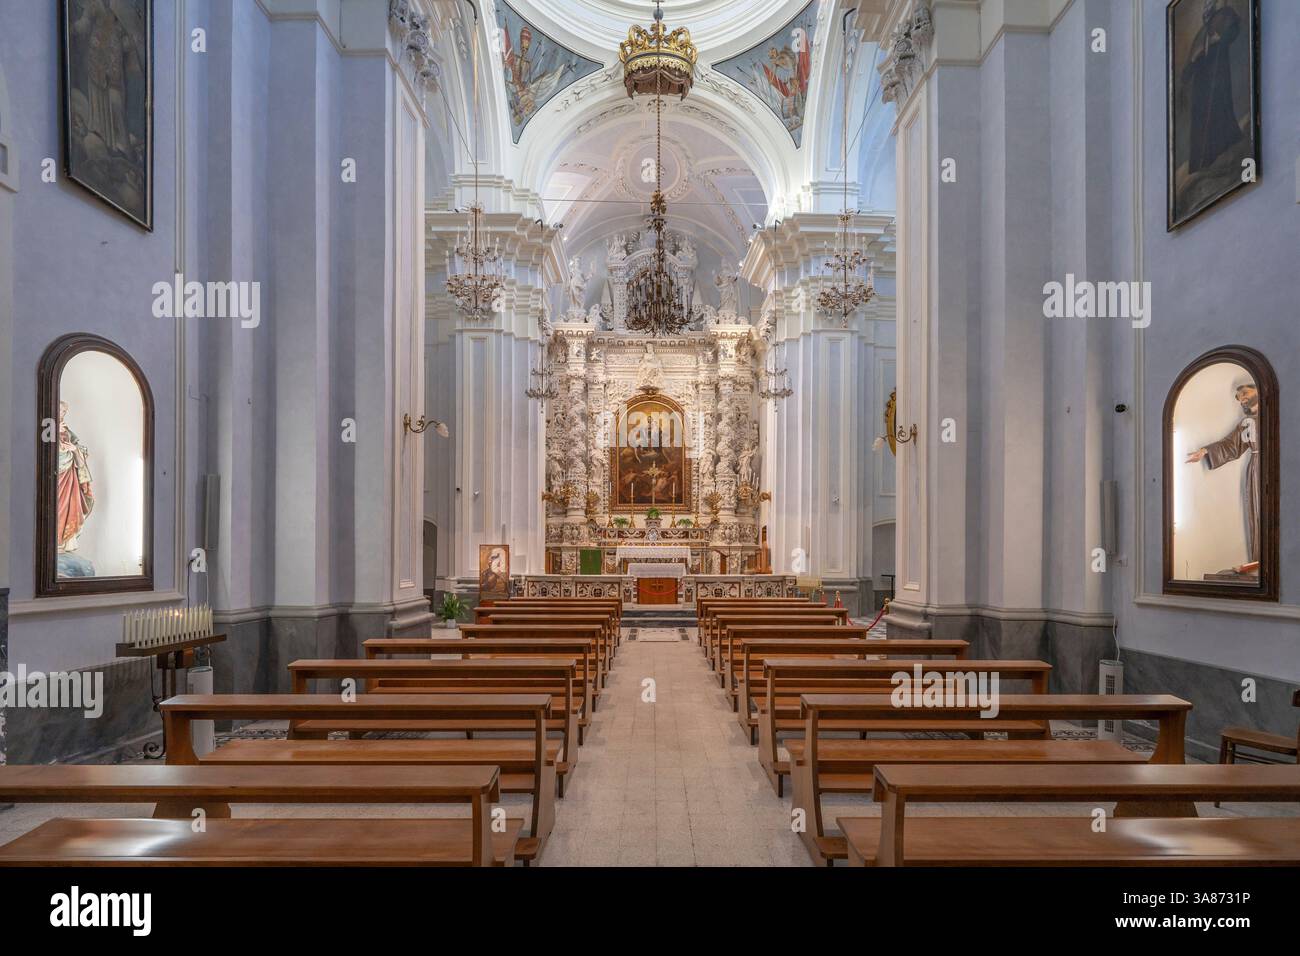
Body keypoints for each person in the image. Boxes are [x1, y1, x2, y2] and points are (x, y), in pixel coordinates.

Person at [1185, 376, 1259, 569]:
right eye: (1238, 396)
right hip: (1257, 470)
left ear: (1259, 390)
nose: (1240, 398)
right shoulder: (1247, 423)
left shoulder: (1278, 415)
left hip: (1278, 465)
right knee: (1258, 511)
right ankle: (1261, 561)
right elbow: (1231, 445)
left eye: (1245, 393)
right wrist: (1205, 451)